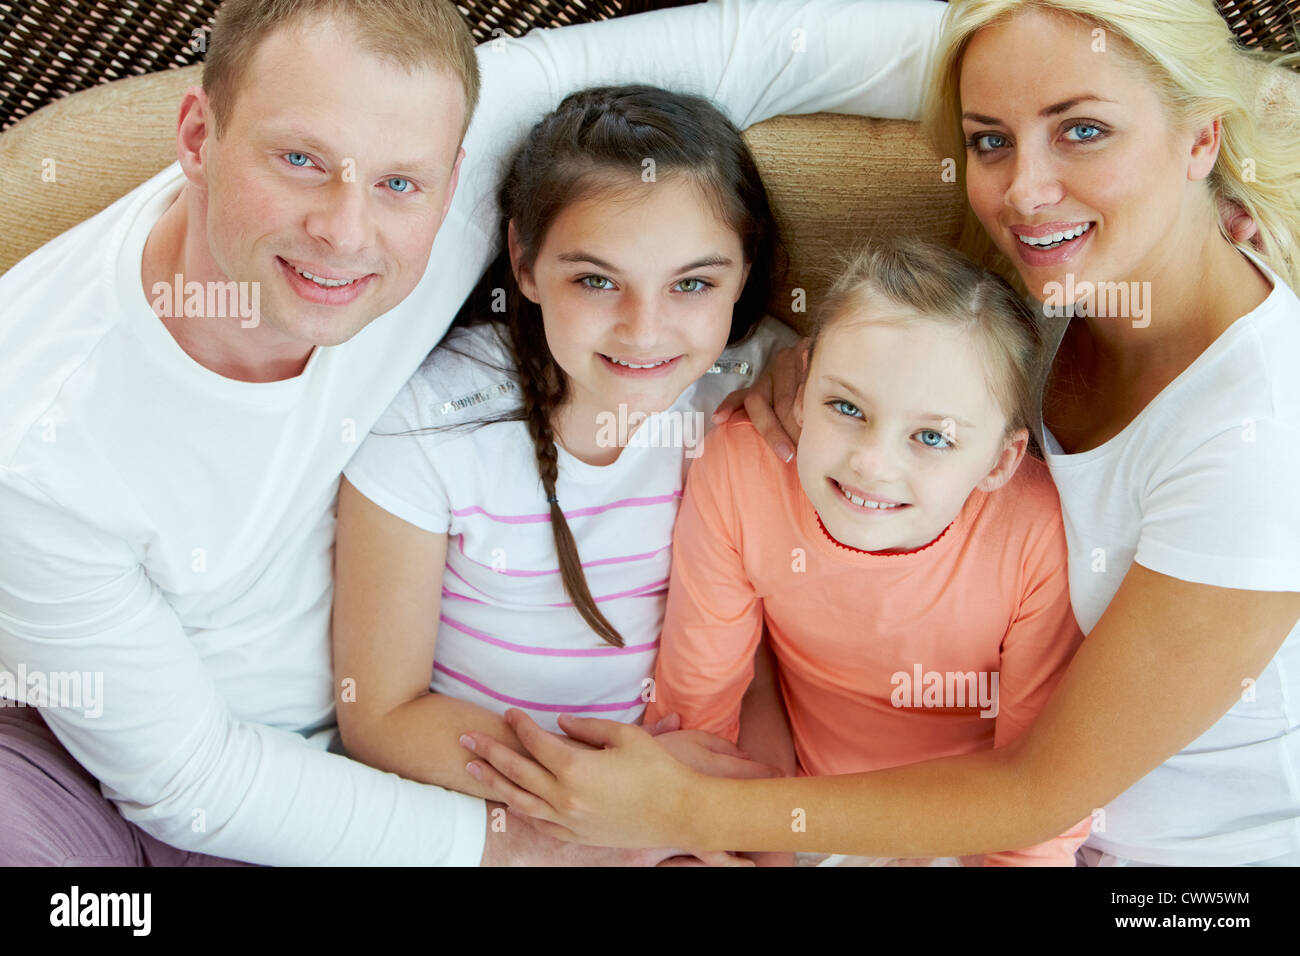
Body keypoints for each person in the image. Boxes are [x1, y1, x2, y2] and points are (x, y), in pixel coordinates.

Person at [0, 0, 948, 866]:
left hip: (421, 782)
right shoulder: (34, 441)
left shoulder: (464, 135)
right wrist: (563, 839)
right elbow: (188, 782)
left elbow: (771, 44)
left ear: (458, 180)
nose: (345, 230)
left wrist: (1043, 67)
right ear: (198, 138)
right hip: (108, 775)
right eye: (298, 160)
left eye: (401, 184)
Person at [460, 0, 1300, 867]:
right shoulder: (1069, 292)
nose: (1023, 190)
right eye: (988, 141)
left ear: (1203, 140)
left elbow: (1036, 795)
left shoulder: (1264, 437)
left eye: (1083, 131)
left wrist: (686, 813)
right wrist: (810, 379)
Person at [331, 85, 796, 863]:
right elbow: (382, 714)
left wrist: (744, 816)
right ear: (524, 260)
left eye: (693, 284)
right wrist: (604, 793)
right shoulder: (431, 420)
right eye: (595, 280)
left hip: (673, 800)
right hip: (479, 805)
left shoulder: (753, 392)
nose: (644, 330)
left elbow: (762, 666)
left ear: (744, 274)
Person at [641, 237, 1091, 866]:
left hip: (967, 829)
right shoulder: (741, 469)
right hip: (789, 807)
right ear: (800, 389)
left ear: (1001, 459)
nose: (873, 464)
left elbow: (1036, 806)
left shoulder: (1038, 534)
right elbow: (698, 710)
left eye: (931, 436)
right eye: (846, 406)